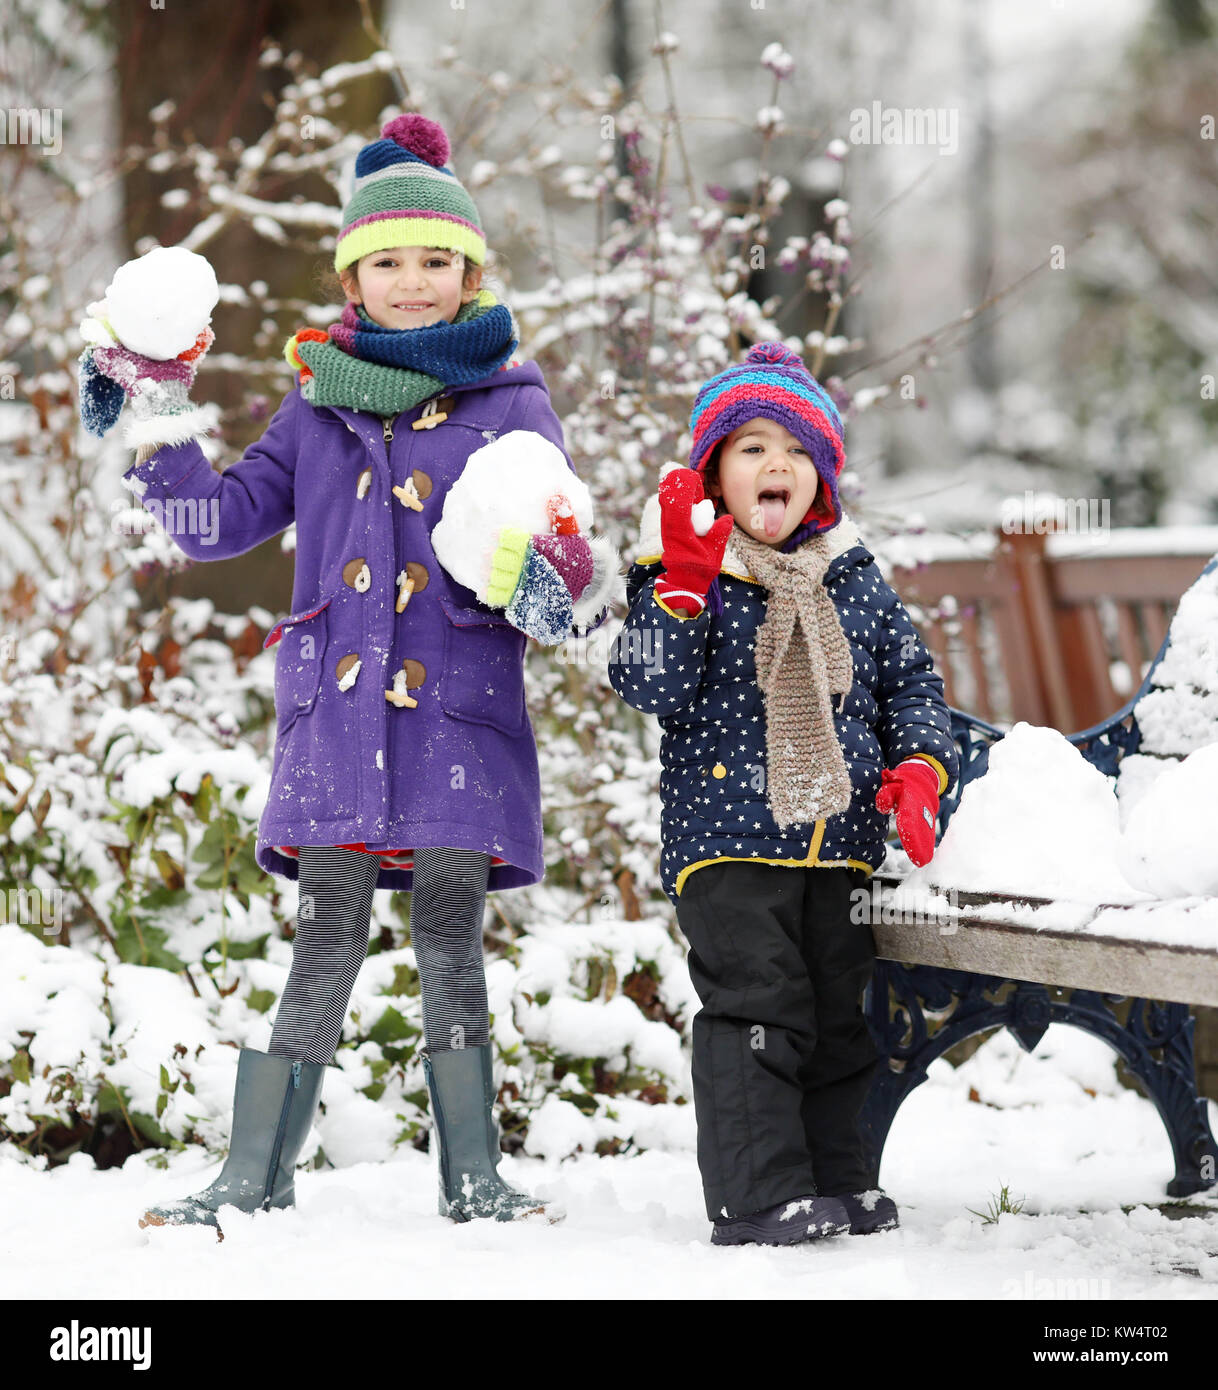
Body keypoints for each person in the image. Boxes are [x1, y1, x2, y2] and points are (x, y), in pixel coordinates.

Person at [102, 114, 615, 1235]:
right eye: (388, 261)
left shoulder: (510, 400)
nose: (414, 281)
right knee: (325, 930)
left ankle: (473, 1174)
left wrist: (551, 572)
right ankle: (255, 1170)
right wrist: (153, 415)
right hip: (338, 716)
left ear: (470, 272)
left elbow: (561, 550)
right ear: (353, 278)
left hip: (458, 715)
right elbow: (218, 520)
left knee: (448, 931)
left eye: (437, 260)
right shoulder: (315, 400)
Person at [607, 342, 959, 1247]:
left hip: (837, 839)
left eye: (799, 451)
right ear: (714, 474)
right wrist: (683, 585)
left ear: (824, 482)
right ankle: (760, 1195)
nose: (778, 466)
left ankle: (836, 1181)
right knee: (759, 1006)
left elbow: (910, 683)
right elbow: (649, 684)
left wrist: (920, 769)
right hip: (728, 840)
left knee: (840, 1016)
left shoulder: (851, 579)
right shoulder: (686, 572)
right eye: (753, 446)